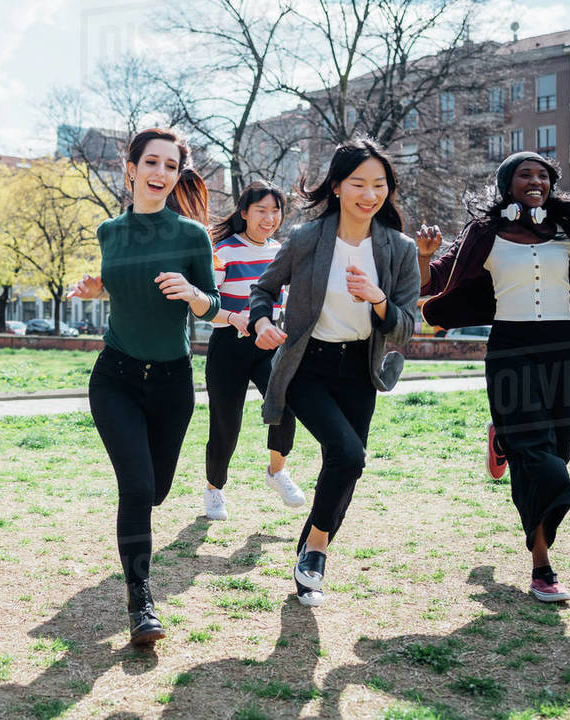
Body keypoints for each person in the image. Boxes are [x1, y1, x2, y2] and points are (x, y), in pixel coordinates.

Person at [415, 151, 570, 603]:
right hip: (510, 349)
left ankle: (504, 438)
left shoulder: (569, 229)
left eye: (543, 174)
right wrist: (426, 257)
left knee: (556, 452)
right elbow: (434, 281)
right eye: (525, 174)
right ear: (508, 185)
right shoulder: (484, 233)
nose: (535, 180)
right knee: (542, 466)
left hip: (561, 350)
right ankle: (542, 564)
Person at [249, 139, 420, 608]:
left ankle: (308, 560)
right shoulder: (306, 240)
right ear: (339, 187)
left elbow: (407, 328)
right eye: (358, 184)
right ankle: (319, 550)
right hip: (307, 364)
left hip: (362, 367)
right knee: (349, 454)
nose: (370, 194)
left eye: (379, 185)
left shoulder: (399, 250)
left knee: (343, 465)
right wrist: (262, 321)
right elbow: (263, 291)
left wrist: (378, 298)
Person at [66, 128, 220, 645]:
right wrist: (97, 286)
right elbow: (123, 278)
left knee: (154, 491)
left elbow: (215, 309)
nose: (160, 173)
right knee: (134, 489)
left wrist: (194, 293)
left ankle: (139, 570)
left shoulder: (192, 236)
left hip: (173, 382)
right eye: (150, 162)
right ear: (131, 168)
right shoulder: (109, 232)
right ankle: (140, 600)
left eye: (170, 166)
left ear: (178, 174)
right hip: (116, 376)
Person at [202, 182, 303, 521]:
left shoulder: (280, 251)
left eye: (276, 211)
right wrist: (235, 317)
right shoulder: (223, 251)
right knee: (226, 425)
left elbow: (287, 300)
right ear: (244, 212)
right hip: (228, 347)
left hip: (267, 345)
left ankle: (276, 472)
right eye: (261, 210)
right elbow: (204, 306)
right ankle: (214, 489)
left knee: (284, 403)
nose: (269, 218)